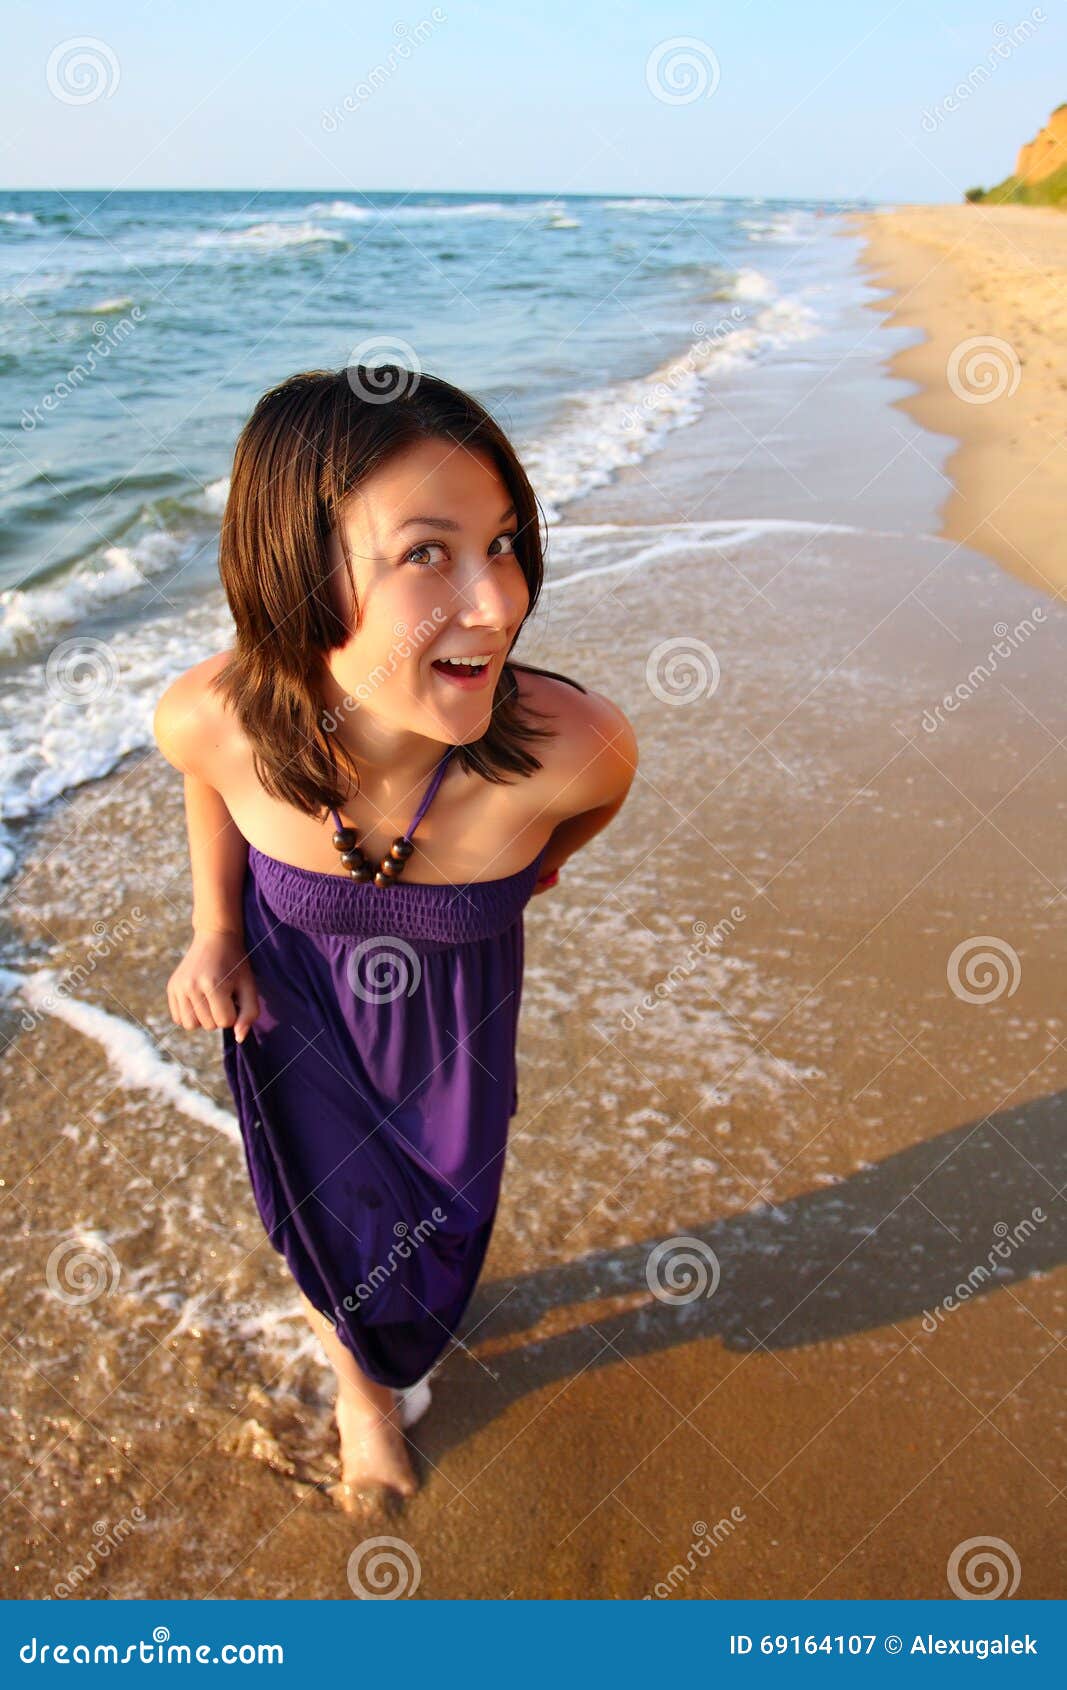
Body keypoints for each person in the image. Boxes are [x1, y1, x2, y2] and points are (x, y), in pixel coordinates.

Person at [153, 364, 637, 1516]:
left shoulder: (572, 749)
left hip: (453, 1027)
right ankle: (360, 1395)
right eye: (427, 552)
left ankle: (390, 1342)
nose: (494, 602)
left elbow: (591, 804)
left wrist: (537, 865)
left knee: (447, 1217)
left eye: (504, 541)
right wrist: (214, 930)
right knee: (323, 1220)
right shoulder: (208, 718)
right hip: (295, 1009)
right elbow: (208, 785)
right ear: (292, 573)